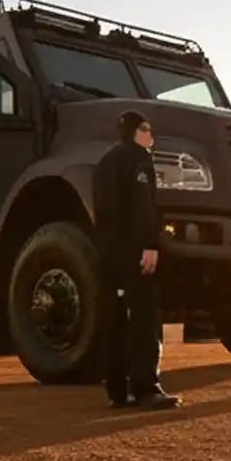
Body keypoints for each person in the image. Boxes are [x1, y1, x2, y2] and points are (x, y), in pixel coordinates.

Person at [92, 110, 181, 410]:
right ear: (134, 132)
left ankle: (118, 391)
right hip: (133, 250)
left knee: (114, 318)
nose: (150, 134)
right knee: (144, 317)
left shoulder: (105, 162)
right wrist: (149, 245)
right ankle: (146, 387)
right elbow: (142, 205)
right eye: (145, 129)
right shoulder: (139, 159)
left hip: (107, 251)